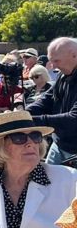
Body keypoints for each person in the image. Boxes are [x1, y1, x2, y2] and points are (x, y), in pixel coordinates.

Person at [28, 37, 77, 165]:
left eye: (56, 61)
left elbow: (74, 119)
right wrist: (24, 114)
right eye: (51, 61)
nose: (53, 66)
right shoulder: (64, 74)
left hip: (74, 150)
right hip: (59, 144)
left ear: (74, 55)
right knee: (48, 178)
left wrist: (31, 120)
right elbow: (47, 99)